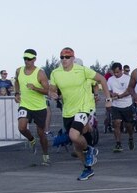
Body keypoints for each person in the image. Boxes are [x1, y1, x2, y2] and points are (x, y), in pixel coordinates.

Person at [46, 47, 110, 181]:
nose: (64, 59)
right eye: (62, 57)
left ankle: (90, 149)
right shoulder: (55, 73)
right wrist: (53, 93)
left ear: (73, 58)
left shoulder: (82, 70)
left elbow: (102, 80)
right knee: (77, 147)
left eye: (67, 57)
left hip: (84, 108)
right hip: (67, 110)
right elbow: (52, 88)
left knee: (74, 135)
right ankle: (87, 168)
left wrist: (107, 99)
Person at [14, 48, 51, 165]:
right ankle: (31, 139)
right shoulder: (19, 71)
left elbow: (47, 91)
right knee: (22, 127)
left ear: (34, 59)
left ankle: (45, 155)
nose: (27, 61)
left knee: (41, 133)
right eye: (25, 59)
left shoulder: (40, 73)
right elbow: (16, 81)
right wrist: (16, 93)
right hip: (25, 105)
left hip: (39, 107)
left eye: (29, 59)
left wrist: (35, 88)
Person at [106, 62, 136, 153]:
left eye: (117, 72)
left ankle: (130, 137)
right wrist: (112, 94)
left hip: (126, 104)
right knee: (116, 123)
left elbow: (129, 91)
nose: (116, 74)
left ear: (121, 70)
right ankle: (118, 143)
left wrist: (119, 96)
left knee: (128, 125)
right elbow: (108, 90)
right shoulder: (110, 80)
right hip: (115, 105)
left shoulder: (128, 79)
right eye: (114, 72)